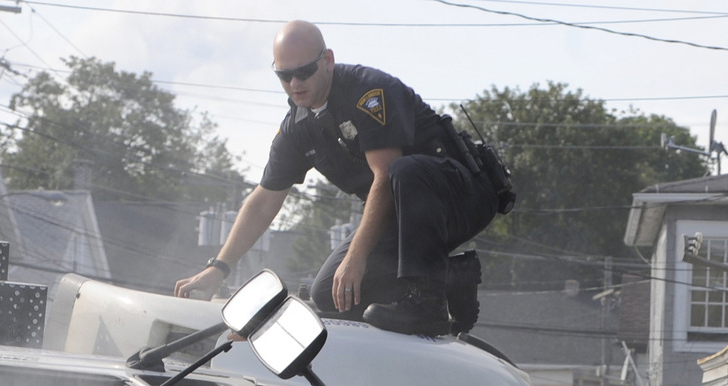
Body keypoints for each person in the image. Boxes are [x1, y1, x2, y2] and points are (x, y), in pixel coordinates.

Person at [174, 20, 497, 337]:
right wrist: (218, 269)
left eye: (304, 72)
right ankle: (452, 276)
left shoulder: (368, 92)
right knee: (331, 295)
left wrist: (356, 257)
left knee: (403, 170)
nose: (295, 83)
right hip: (404, 219)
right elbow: (263, 200)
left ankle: (427, 304)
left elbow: (384, 177)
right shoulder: (298, 127)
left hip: (462, 196)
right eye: (284, 76)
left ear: (327, 60)